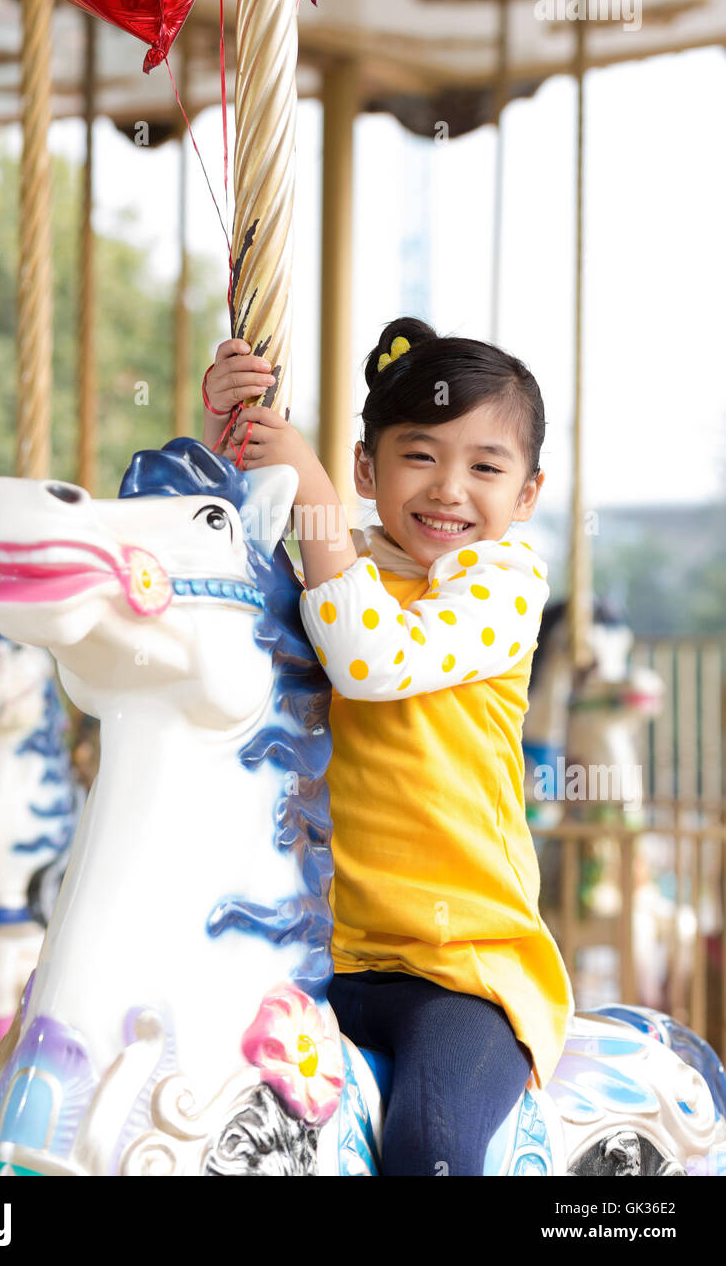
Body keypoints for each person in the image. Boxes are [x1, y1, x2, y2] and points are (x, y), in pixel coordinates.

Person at [201, 318, 574, 1176]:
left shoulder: (504, 587)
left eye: (485, 466)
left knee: (429, 1146)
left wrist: (312, 488)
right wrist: (239, 427)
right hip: (319, 954)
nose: (449, 488)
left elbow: (373, 658)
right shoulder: (346, 567)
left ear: (527, 494)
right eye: (420, 455)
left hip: (461, 971)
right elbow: (231, 564)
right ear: (369, 467)